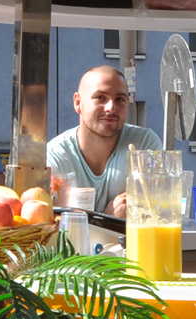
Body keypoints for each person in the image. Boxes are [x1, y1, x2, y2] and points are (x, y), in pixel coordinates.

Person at [46, 65, 162, 216]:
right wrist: (109, 217)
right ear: (77, 102)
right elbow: (52, 228)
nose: (111, 108)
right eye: (100, 97)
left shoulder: (144, 144)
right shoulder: (55, 156)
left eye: (120, 99)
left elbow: (156, 214)